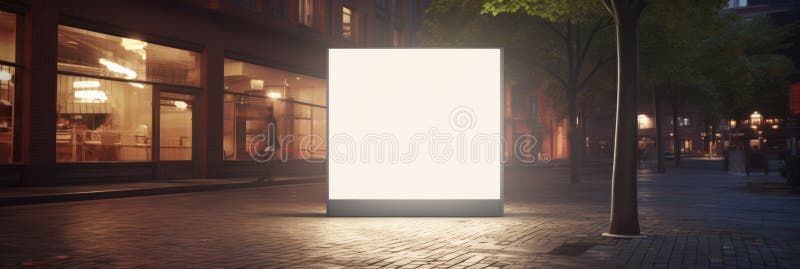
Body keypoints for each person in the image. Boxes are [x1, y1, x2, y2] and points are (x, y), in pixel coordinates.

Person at [258, 104, 280, 182]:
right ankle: (268, 176)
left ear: (269, 111)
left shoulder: (270, 120)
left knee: (265, 158)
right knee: (267, 158)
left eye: (266, 110)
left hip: (271, 144)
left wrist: (265, 143)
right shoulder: (271, 119)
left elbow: (270, 132)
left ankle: (267, 175)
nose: (264, 112)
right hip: (272, 143)